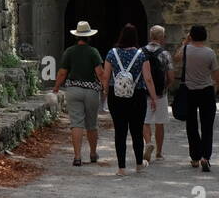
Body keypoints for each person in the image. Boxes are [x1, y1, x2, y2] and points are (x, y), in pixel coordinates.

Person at [101, 24, 158, 175]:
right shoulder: (141, 55)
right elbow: (148, 78)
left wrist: (105, 93)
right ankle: (139, 164)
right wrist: (153, 97)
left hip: (116, 95)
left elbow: (105, 76)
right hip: (137, 96)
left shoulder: (111, 53)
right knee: (136, 131)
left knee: (120, 131)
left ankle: (121, 168)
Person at [53, 20, 105, 166]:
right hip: (91, 91)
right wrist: (105, 87)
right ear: (89, 37)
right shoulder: (93, 52)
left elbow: (63, 73)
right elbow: (100, 73)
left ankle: (77, 157)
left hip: (73, 90)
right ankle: (93, 153)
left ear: (76, 37)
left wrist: (56, 87)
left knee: (76, 123)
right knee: (91, 124)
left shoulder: (69, 51)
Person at [176, 24, 219, 172]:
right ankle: (205, 157)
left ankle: (195, 157)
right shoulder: (210, 53)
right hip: (206, 90)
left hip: (189, 91)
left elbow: (176, 58)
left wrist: (185, 42)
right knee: (207, 125)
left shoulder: (186, 50)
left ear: (191, 36)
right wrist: (215, 89)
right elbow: (216, 75)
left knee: (192, 125)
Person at [142, 24, 174, 162]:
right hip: (160, 93)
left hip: (143, 92)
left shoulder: (140, 52)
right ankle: (159, 152)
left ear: (151, 36)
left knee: (144, 121)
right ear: (161, 38)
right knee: (160, 123)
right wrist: (165, 87)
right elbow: (171, 76)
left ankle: (148, 142)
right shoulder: (165, 54)